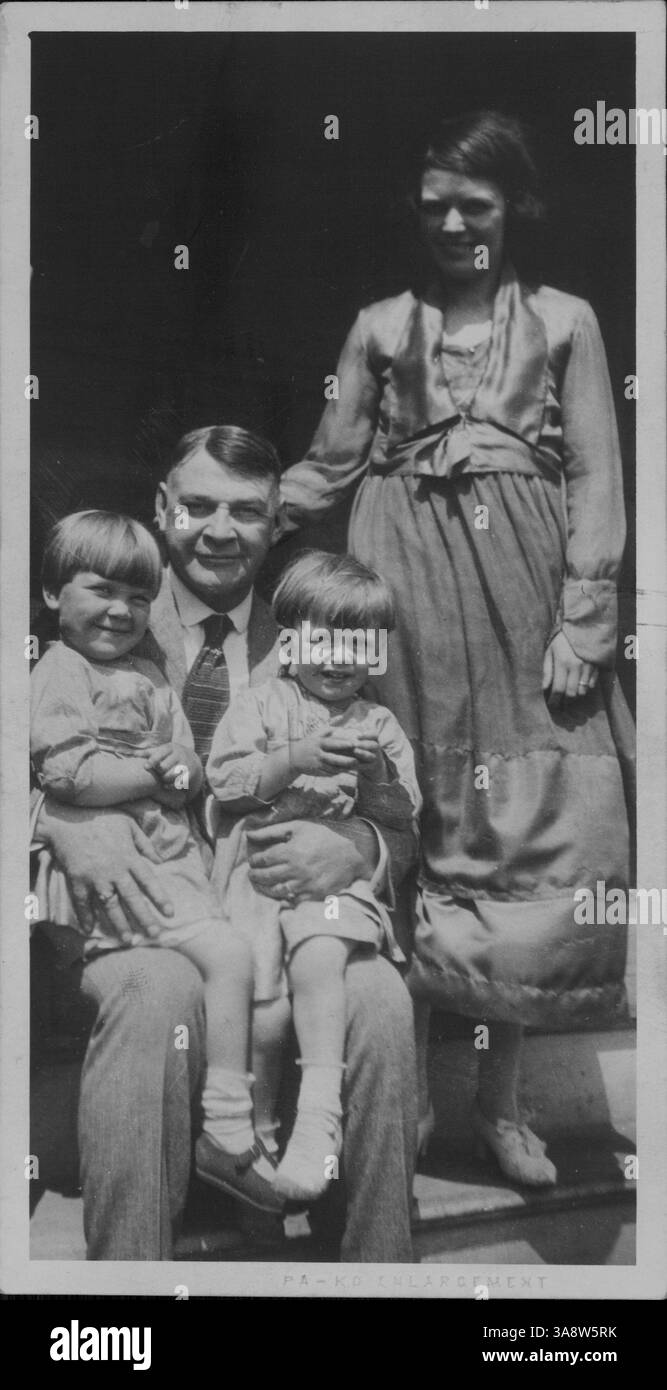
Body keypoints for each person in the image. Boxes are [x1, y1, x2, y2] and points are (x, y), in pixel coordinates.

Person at [279, 111, 633, 1187]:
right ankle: (411, 1096)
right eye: (432, 203)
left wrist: (584, 617)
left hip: (524, 597)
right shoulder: (379, 325)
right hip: (400, 583)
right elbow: (330, 465)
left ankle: (501, 1100)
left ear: (513, 206)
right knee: (410, 811)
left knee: (530, 834)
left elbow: (595, 474)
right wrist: (247, 509)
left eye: (472, 205)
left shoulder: (567, 320)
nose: (449, 222)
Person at [31, 424, 418, 1260]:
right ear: (162, 509)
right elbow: (35, 746)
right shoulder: (109, 612)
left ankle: (380, 1273)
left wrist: (359, 847)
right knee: (158, 993)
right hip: (142, 903)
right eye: (198, 505)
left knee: (378, 1001)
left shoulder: (319, 631)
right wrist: (57, 824)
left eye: (247, 511)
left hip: (279, 902)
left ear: (277, 522)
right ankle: (127, 1292)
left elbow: (401, 810)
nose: (220, 530)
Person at [31, 510, 280, 1213]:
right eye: (102, 591)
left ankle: (218, 1132)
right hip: (113, 873)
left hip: (171, 856)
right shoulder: (60, 670)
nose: (121, 611)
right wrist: (149, 776)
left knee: (233, 961)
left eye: (139, 598)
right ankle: (227, 1129)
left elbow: (189, 767)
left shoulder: (148, 672)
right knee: (223, 960)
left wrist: (181, 763)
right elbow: (68, 774)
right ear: (54, 596)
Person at [207, 549, 421, 1201]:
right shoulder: (262, 703)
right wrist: (295, 756)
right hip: (256, 874)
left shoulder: (378, 724)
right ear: (289, 640)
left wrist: (377, 780)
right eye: (320, 639)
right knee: (263, 1014)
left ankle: (319, 1114)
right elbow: (227, 780)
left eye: (357, 644)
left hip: (334, 888)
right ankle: (258, 1137)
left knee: (322, 949)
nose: (337, 658)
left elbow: (403, 816)